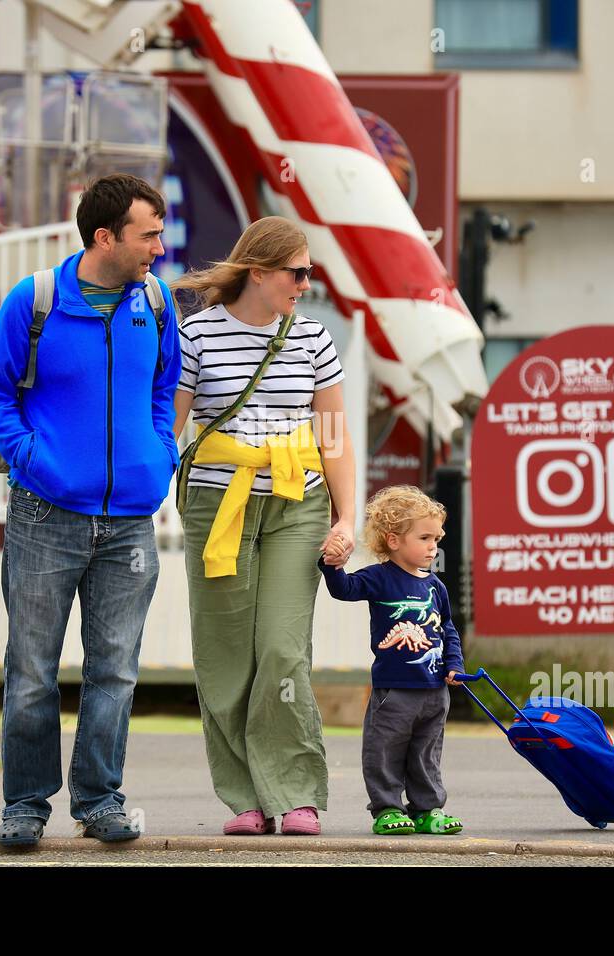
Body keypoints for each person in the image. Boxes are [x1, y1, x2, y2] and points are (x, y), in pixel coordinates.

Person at [0, 173, 181, 848]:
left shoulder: (154, 300)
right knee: (32, 671)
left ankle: (100, 800)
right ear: (105, 236)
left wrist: (160, 454)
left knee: (115, 670)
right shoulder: (33, 302)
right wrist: (32, 457)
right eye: (149, 233)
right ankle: (25, 807)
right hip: (44, 516)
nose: (159, 245)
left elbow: (164, 385)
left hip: (130, 522)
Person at [171, 216, 357, 836]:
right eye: (297, 272)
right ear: (259, 272)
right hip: (216, 504)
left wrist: (347, 515)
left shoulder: (312, 339)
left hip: (294, 500)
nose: (305, 285)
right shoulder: (196, 336)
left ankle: (294, 791)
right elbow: (169, 427)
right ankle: (244, 797)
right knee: (224, 653)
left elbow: (333, 435)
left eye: (309, 274)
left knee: (282, 647)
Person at [317, 485, 466, 836]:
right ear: (394, 540)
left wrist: (455, 665)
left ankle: (427, 809)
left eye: (436, 538)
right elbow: (344, 590)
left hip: (434, 691)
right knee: (384, 750)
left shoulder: (436, 587)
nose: (433, 546)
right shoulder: (380, 576)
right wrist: (331, 565)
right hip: (394, 692)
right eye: (425, 537)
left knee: (426, 753)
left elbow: (448, 629)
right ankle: (387, 808)